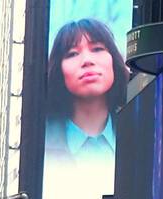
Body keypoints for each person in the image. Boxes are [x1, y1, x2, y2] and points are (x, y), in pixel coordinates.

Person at [43, 18, 128, 167]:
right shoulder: (41, 140)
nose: (87, 61)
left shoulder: (140, 134)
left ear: (113, 61)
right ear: (59, 70)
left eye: (97, 49)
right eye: (73, 54)